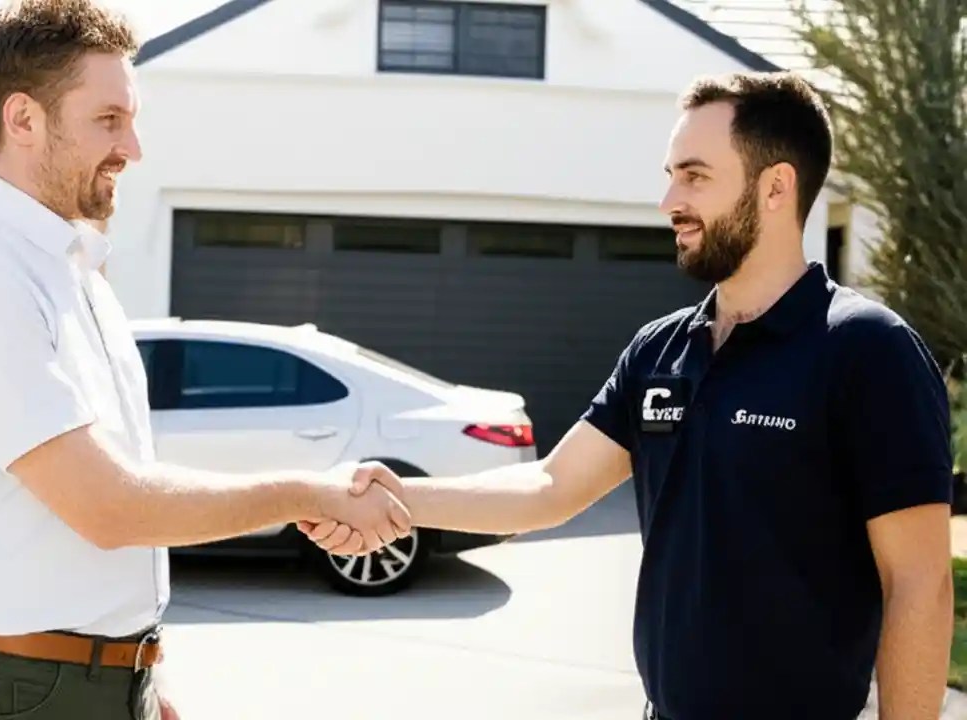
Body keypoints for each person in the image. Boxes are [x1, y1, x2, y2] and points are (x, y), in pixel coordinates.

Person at [304, 71, 954, 719]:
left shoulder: (866, 350)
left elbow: (918, 584)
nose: (669, 199)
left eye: (695, 175)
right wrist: (398, 498)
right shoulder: (659, 350)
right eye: (670, 173)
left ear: (776, 186)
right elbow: (550, 488)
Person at [0, 2, 408, 719]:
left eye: (131, 120)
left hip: (102, 681)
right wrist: (303, 493)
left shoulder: (78, 275)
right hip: (20, 695)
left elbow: (127, 493)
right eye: (109, 120)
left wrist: (141, 672)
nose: (133, 147)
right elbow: (107, 507)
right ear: (22, 120)